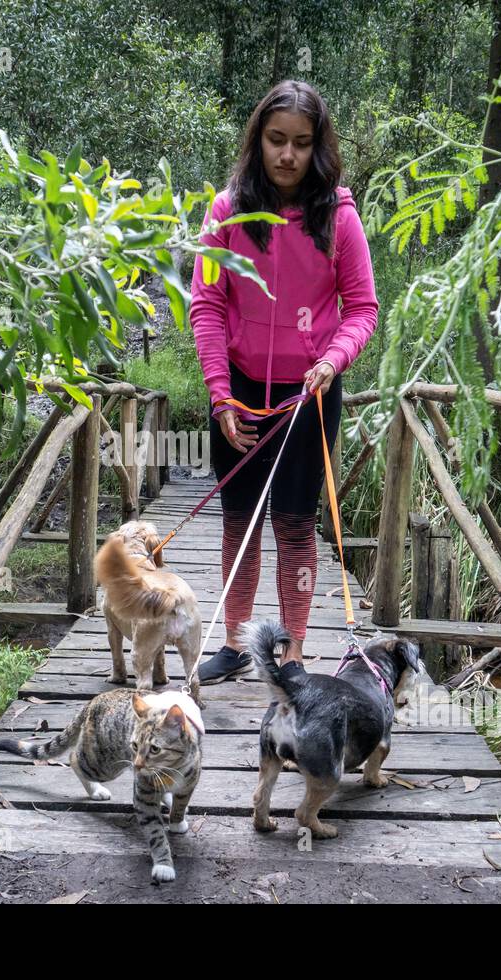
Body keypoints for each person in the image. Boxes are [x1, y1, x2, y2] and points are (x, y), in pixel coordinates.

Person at [189, 79, 379, 682]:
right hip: (240, 390)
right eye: (276, 140)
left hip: (312, 392)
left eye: (301, 143)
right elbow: (208, 305)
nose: (288, 156)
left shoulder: (339, 218)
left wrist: (333, 359)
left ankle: (294, 647)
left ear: (318, 148)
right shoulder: (227, 212)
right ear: (258, 141)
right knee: (238, 520)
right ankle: (238, 642)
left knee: (297, 523)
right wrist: (220, 393)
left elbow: (363, 309)